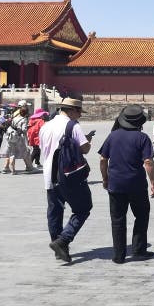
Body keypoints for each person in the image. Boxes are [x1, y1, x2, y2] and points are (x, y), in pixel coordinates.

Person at [98, 105, 154, 264]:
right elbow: (148, 161)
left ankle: (119, 255)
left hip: (116, 184)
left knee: (117, 219)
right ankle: (139, 250)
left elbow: (103, 160)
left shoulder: (112, 136)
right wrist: (153, 183)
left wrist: (105, 178)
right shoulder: (142, 138)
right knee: (142, 216)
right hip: (137, 184)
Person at [39, 97, 95, 263]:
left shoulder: (46, 126)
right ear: (70, 110)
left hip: (49, 174)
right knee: (83, 208)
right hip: (69, 175)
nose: (79, 115)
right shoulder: (72, 126)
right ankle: (63, 240)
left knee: (55, 211)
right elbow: (85, 149)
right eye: (78, 112)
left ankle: (58, 249)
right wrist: (87, 141)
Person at [2, 104, 33, 174]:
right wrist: (28, 128)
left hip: (10, 136)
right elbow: (24, 130)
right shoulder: (24, 119)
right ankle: (29, 167)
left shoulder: (14, 118)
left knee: (12, 153)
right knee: (25, 152)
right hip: (18, 138)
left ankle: (13, 170)